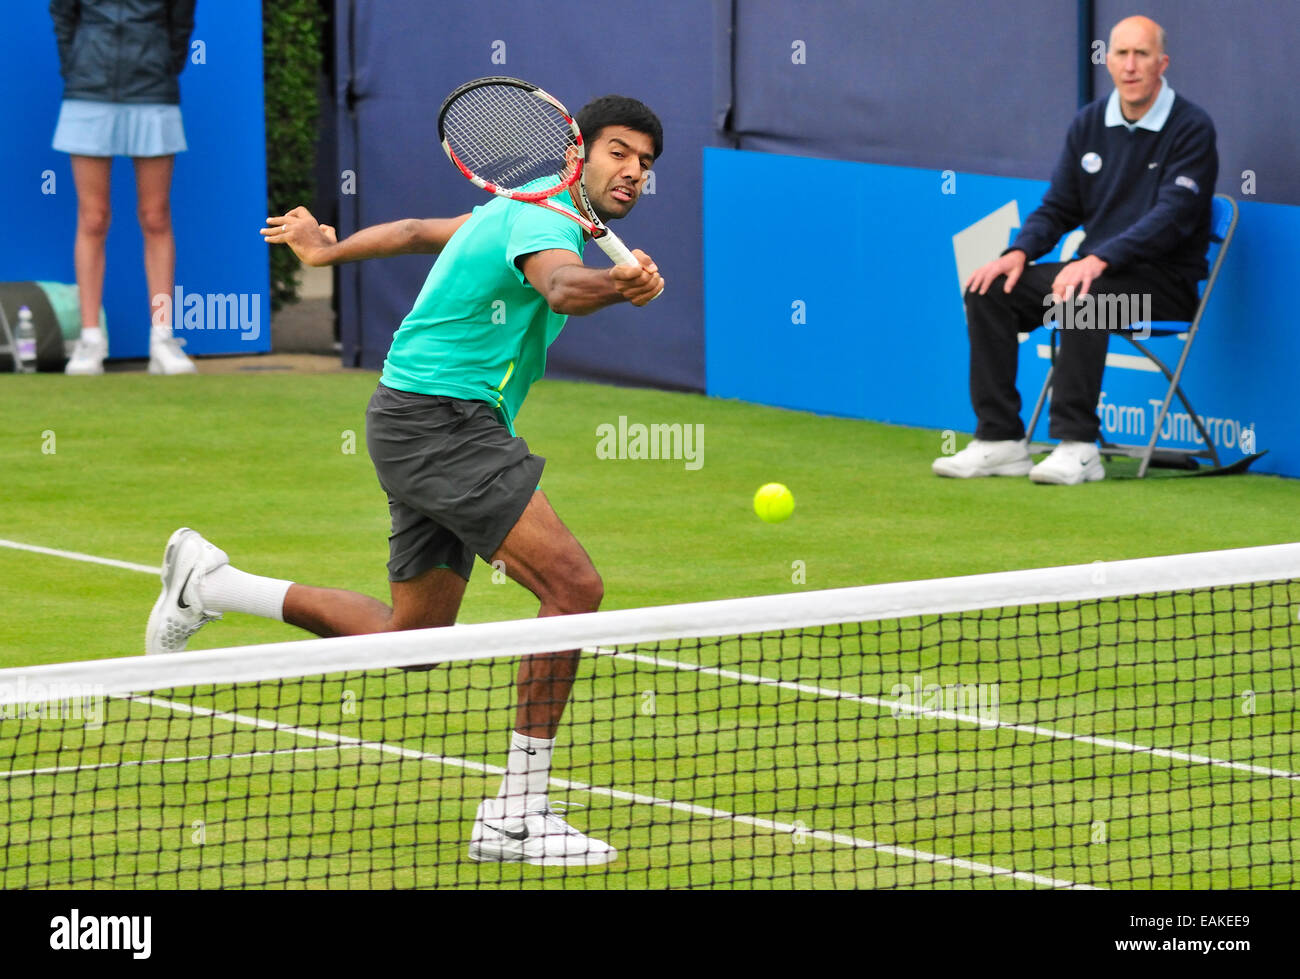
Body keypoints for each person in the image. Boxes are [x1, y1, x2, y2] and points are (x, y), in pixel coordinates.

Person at [144, 95, 666, 867]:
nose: (633, 171)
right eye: (619, 151)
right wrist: (616, 286)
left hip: (422, 419)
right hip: (442, 426)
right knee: (573, 588)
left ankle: (210, 585)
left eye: (646, 163)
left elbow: (419, 231)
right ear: (574, 152)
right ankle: (517, 812)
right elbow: (560, 288)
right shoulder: (543, 224)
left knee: (411, 641)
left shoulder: (521, 206)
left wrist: (327, 250)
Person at [934, 15, 1217, 485]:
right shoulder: (1089, 124)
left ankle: (1078, 445)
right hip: (1090, 272)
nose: (1130, 66)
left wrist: (1099, 258)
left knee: (1085, 298)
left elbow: (1170, 218)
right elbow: (1059, 207)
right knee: (988, 290)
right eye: (1121, 54)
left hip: (1161, 290)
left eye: (1141, 54)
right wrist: (1018, 252)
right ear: (1107, 61)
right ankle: (1000, 440)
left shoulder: (1191, 128)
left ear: (1162, 63)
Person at [50, 0, 197, 375]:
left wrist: (162, 65)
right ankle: (89, 339)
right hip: (88, 88)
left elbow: (180, 24)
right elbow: (63, 16)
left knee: (156, 216)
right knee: (93, 218)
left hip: (153, 89)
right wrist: (79, 65)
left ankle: (162, 339)